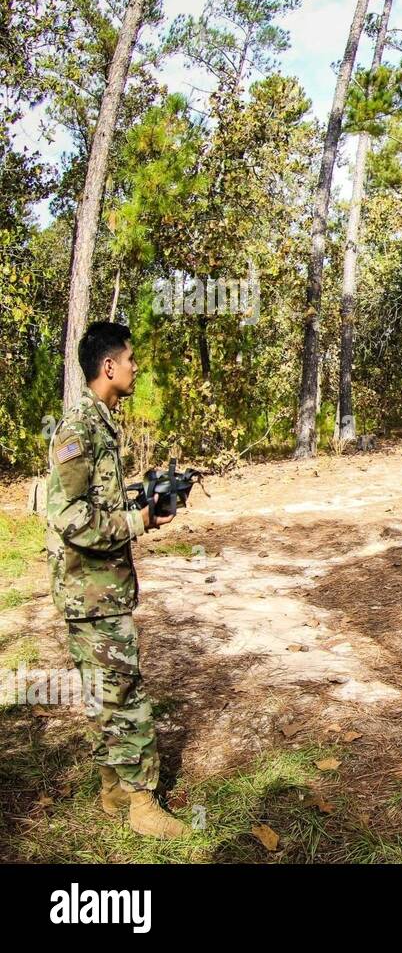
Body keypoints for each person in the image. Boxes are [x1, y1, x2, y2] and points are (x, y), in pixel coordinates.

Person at [45, 322, 189, 839]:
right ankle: (142, 804)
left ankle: (112, 788)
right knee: (124, 694)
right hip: (92, 591)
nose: (134, 368)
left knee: (102, 692)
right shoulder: (79, 428)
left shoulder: (101, 423)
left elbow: (97, 500)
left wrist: (142, 500)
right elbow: (69, 516)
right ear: (108, 367)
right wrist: (137, 522)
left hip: (95, 587)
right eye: (129, 360)